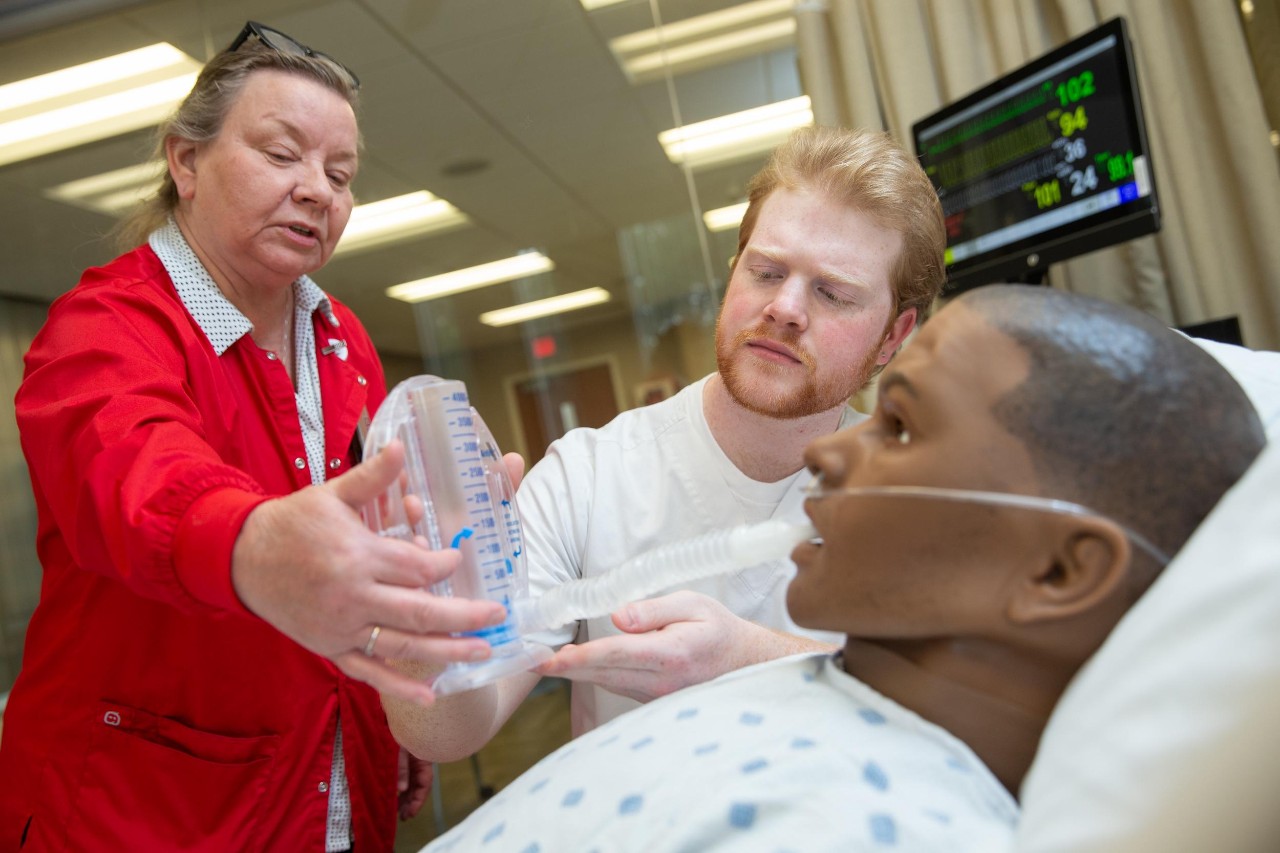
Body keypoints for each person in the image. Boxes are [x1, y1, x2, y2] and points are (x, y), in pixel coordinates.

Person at [413, 284, 1267, 852]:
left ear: (1060, 571)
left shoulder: (869, 824)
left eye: (896, 425)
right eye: (764, 268)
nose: (827, 451)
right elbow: (451, 720)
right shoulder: (825, 694)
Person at [0, 22, 507, 852]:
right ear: (185, 162)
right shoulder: (103, 329)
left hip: (327, 788)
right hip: (143, 814)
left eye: (340, 175)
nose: (318, 190)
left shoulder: (344, 340)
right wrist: (251, 535)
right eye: (282, 155)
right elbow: (137, 479)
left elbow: (364, 548)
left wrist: (381, 723)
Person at [383, 124, 949, 760]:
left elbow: (969, 712)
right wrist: (423, 620)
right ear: (734, 274)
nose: (785, 307)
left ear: (894, 336)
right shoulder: (586, 478)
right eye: (765, 272)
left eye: (833, 293)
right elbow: (449, 731)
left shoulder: (927, 500)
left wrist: (752, 660)